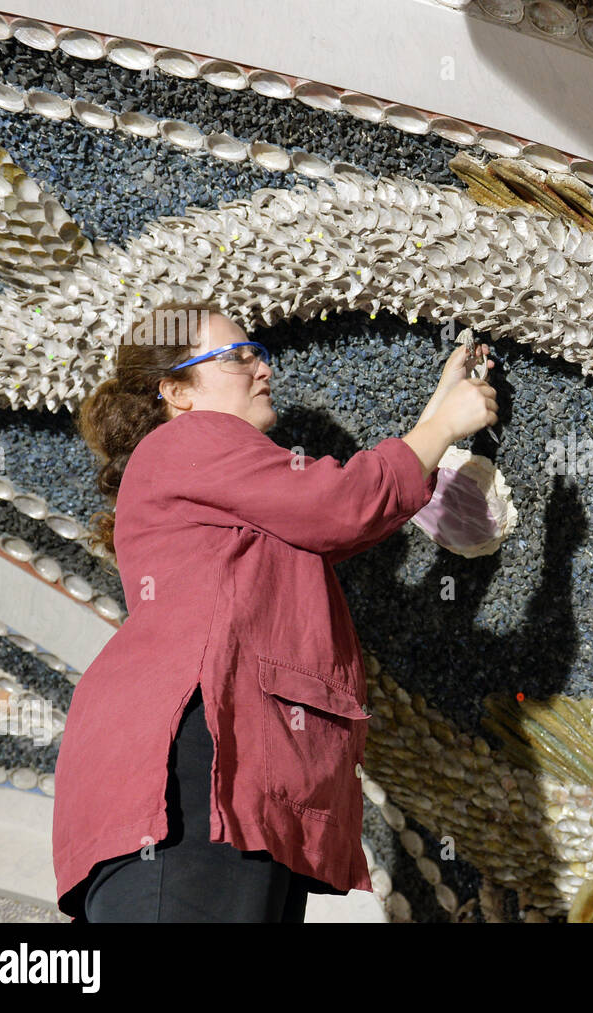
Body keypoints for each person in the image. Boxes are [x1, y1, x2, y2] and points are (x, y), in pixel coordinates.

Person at [52, 301, 497, 922]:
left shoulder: (208, 477)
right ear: (177, 391)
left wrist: (436, 416)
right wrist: (441, 429)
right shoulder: (189, 438)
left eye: (258, 353)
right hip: (197, 772)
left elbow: (332, 510)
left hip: (212, 783)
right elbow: (338, 505)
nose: (263, 369)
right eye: (237, 358)